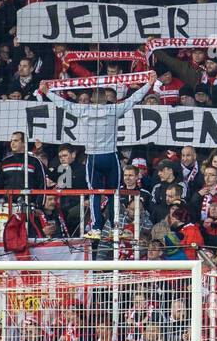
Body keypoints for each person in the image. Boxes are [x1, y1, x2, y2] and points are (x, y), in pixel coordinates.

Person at [39, 79, 154, 233]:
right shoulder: (114, 109)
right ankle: (115, 226)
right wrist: (149, 84)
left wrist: (47, 92)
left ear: (92, 99)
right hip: (111, 157)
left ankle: (97, 227)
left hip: (93, 157)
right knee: (114, 193)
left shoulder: (83, 110)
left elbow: (63, 104)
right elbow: (134, 99)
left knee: (95, 193)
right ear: (106, 99)